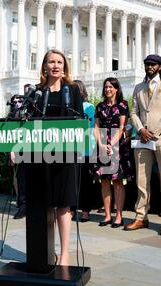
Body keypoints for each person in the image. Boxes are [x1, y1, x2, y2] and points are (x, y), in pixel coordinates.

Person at [29, 49, 84, 265]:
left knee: (64, 204)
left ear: (65, 66)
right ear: (44, 66)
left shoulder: (72, 91)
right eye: (51, 61)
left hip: (66, 154)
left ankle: (64, 253)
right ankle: (47, 250)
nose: (55, 65)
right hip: (41, 157)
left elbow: (80, 122)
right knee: (46, 204)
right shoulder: (37, 92)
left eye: (59, 62)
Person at [125, 54, 161, 235]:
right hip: (141, 139)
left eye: (153, 64)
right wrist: (140, 130)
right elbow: (133, 111)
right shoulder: (138, 87)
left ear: (160, 67)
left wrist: (153, 132)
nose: (149, 67)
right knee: (141, 180)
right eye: (147, 64)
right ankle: (141, 216)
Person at [93, 78, 133, 228]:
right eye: (106, 87)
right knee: (104, 181)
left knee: (117, 181)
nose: (108, 89)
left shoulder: (122, 105)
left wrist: (111, 144)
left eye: (111, 87)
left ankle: (119, 216)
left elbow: (122, 127)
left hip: (117, 146)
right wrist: (101, 145)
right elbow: (96, 127)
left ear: (116, 89)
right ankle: (107, 215)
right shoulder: (99, 106)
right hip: (102, 144)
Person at [71, 79, 101, 222]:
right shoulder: (68, 106)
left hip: (87, 147)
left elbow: (93, 126)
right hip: (70, 148)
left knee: (86, 181)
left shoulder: (89, 106)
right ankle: (71, 208)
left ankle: (85, 211)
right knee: (71, 181)